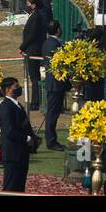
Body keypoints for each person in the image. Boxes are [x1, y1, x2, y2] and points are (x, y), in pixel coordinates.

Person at [0, 77, 36, 192]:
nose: (19, 89)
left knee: (19, 187)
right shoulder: (5, 106)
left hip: (20, 153)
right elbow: (9, 130)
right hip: (13, 153)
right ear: (8, 89)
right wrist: (27, 138)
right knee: (11, 187)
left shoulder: (16, 104)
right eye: (16, 87)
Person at [41, 20, 67, 151]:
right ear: (57, 30)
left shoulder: (48, 42)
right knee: (52, 114)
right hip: (55, 84)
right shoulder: (54, 45)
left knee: (53, 113)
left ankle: (52, 140)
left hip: (54, 83)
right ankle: (51, 141)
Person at [19, 0, 46, 111]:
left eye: (28, 3)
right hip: (32, 49)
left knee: (34, 77)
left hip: (33, 50)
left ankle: (35, 102)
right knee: (34, 77)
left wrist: (22, 46)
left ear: (33, 4)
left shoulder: (36, 17)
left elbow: (32, 35)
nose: (27, 6)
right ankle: (36, 100)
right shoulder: (35, 16)